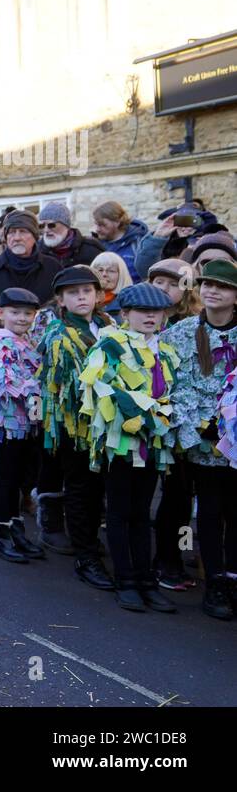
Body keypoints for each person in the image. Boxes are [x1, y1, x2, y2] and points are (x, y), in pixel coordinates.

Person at [81, 283, 179, 613]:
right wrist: (143, 413)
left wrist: (161, 418)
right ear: (125, 314)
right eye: (143, 311)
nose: (150, 317)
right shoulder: (110, 343)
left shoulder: (165, 350)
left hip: (152, 443)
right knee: (120, 512)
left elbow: (172, 392)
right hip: (121, 442)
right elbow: (101, 387)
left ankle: (146, 581)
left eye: (157, 312)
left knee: (141, 513)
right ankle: (126, 581)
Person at [161, 259, 237, 619]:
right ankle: (216, 583)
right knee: (209, 512)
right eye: (207, 284)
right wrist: (201, 423)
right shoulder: (181, 331)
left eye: (222, 286)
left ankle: (233, 577)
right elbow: (168, 382)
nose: (211, 290)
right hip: (201, 442)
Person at [38, 265, 116, 591]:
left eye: (87, 291)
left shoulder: (109, 326)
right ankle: (85, 556)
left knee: (100, 486)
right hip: (76, 425)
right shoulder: (58, 336)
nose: (82, 297)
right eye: (73, 293)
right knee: (81, 486)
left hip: (108, 424)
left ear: (98, 296)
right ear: (61, 300)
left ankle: (90, 540)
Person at [0, 287, 44, 562]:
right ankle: (1, 536)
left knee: (17, 478)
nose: (22, 318)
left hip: (26, 422)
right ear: (1, 313)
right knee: (5, 477)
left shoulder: (24, 340)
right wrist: (38, 388)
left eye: (28, 313)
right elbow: (3, 383)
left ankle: (15, 530)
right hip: (7, 422)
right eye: (16, 312)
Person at [146, 258, 200, 591]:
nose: (164, 289)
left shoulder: (194, 324)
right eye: (158, 282)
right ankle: (158, 559)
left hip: (187, 423)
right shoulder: (147, 322)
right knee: (149, 496)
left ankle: (174, 558)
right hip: (153, 420)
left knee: (180, 497)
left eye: (171, 283)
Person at [0, 210, 61, 350]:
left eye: (23, 231)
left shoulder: (53, 268)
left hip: (45, 357)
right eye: (11, 232)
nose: (17, 237)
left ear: (35, 236)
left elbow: (62, 311)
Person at [132, 202, 225, 280]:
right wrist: (158, 237)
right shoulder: (163, 242)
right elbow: (145, 271)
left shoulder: (208, 242)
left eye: (192, 222)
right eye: (181, 221)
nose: (185, 227)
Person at [91, 201, 148, 282]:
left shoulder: (138, 242)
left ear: (118, 221)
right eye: (96, 224)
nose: (97, 229)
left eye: (102, 224)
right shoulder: (94, 243)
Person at [38, 201, 104, 269]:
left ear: (66, 225)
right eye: (41, 226)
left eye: (51, 225)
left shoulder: (91, 249)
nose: (46, 230)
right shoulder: (36, 251)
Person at [90, 250, 133, 318]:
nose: (104, 274)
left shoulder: (130, 303)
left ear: (121, 275)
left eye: (111, 271)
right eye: (100, 270)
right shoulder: (84, 301)